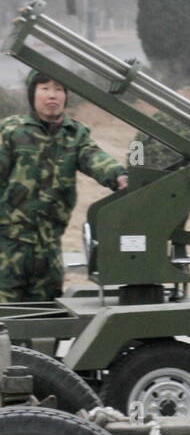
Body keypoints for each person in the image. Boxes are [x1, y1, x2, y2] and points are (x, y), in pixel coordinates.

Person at [0, 70, 128, 302]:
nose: (53, 96)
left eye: (59, 89)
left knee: (47, 323)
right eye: (45, 89)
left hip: (49, 250)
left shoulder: (75, 135)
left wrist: (119, 176)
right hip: (8, 246)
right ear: (32, 94)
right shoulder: (11, 131)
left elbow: (94, 158)